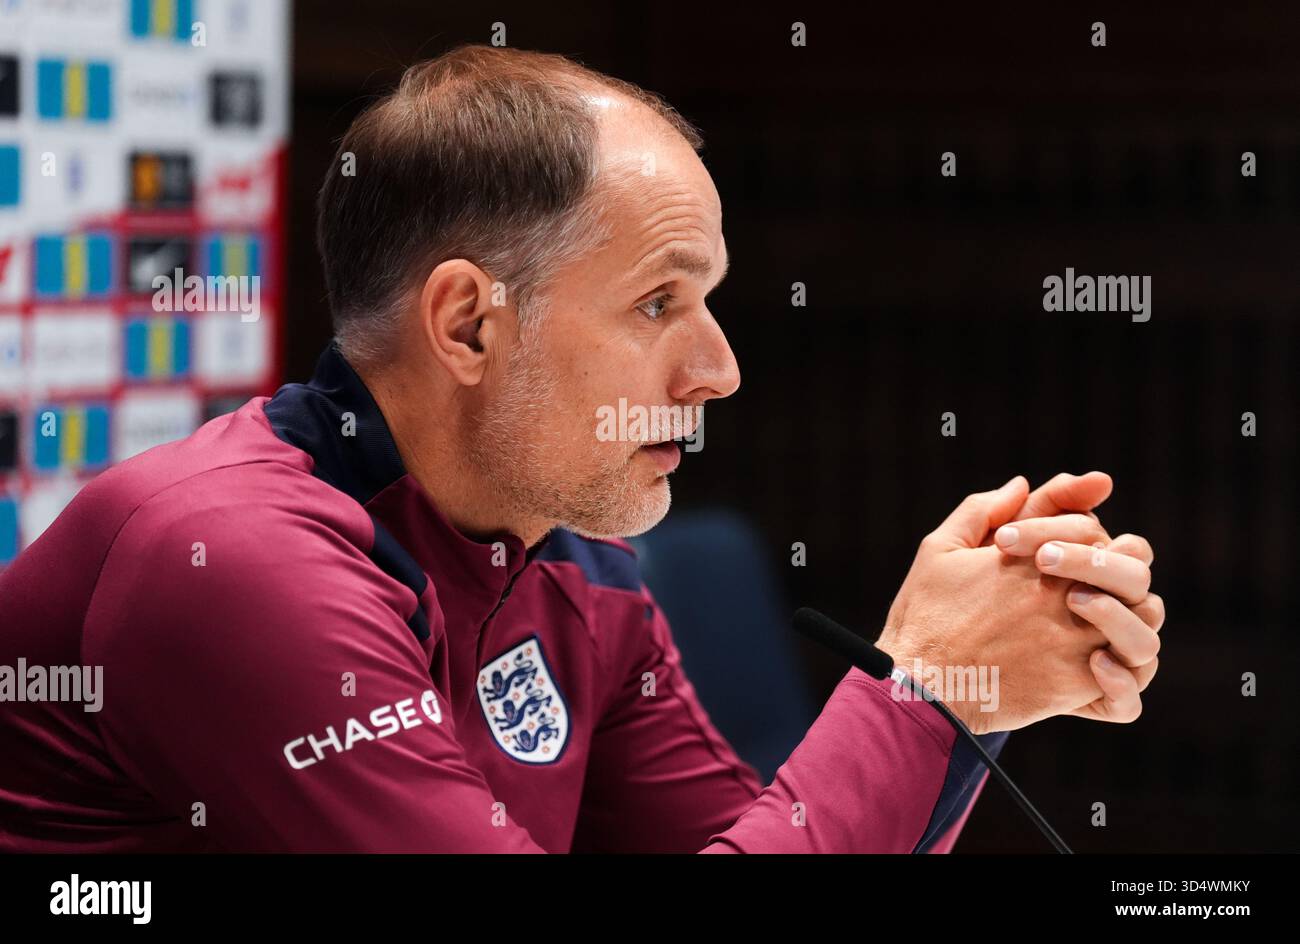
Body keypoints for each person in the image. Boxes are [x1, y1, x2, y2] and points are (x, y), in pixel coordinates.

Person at [0, 45, 1161, 852]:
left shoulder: (566, 557)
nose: (719, 369)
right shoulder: (232, 559)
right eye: (660, 301)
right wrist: (922, 688)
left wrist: (985, 677)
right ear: (467, 322)